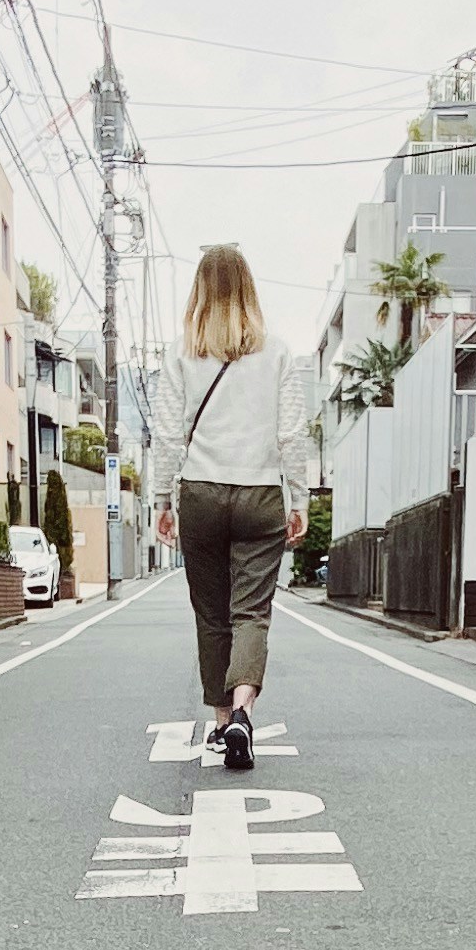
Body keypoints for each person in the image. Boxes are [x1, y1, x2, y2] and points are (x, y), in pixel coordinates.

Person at [146, 245, 314, 769]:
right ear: (248, 290)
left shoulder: (181, 354)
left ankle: (221, 724)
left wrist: (161, 499)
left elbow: (167, 435)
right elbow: (292, 433)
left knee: (212, 614)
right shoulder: (278, 353)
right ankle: (243, 710)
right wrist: (299, 498)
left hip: (200, 493)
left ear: (199, 291)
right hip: (261, 494)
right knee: (251, 612)